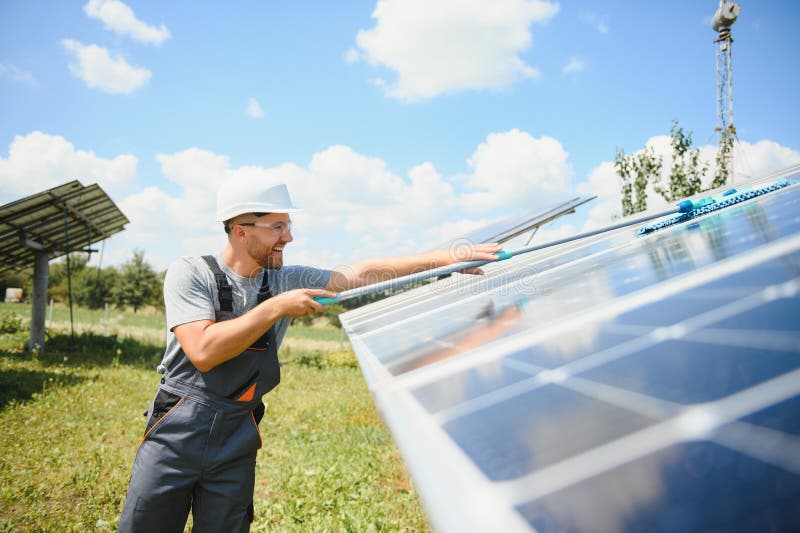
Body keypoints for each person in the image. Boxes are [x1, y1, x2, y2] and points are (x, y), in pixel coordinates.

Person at [118, 181, 500, 532]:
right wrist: (276, 308)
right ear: (241, 231)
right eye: (278, 228)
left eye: (288, 227)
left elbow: (357, 274)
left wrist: (446, 259)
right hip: (177, 430)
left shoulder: (283, 279)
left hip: (237, 432)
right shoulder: (190, 273)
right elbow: (202, 351)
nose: (289, 237)